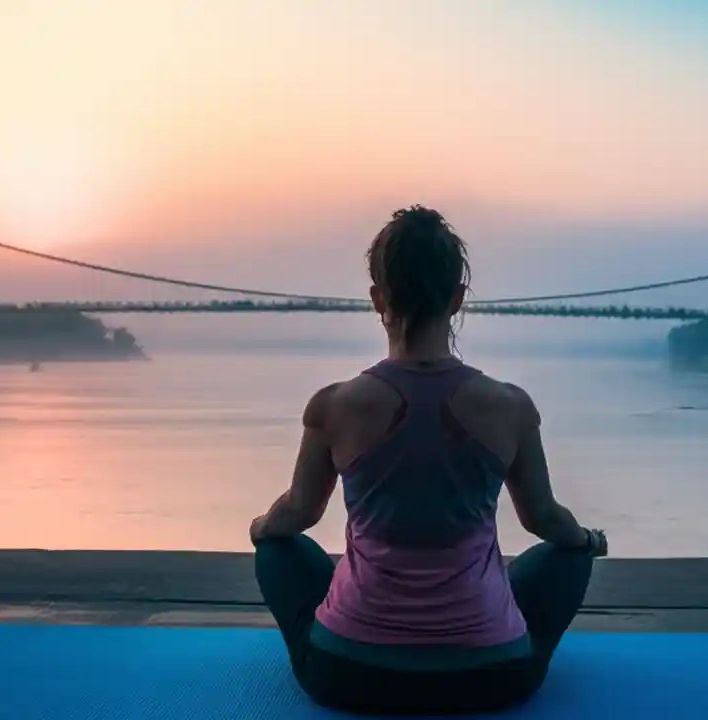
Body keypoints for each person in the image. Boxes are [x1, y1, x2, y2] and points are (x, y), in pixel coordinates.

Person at [250, 205, 608, 715]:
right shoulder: (510, 407)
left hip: (349, 677)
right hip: (491, 678)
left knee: (277, 550)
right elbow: (545, 520)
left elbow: (297, 514)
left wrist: (259, 525)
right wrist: (590, 541)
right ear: (459, 299)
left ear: (378, 300)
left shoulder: (335, 405)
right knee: (568, 554)